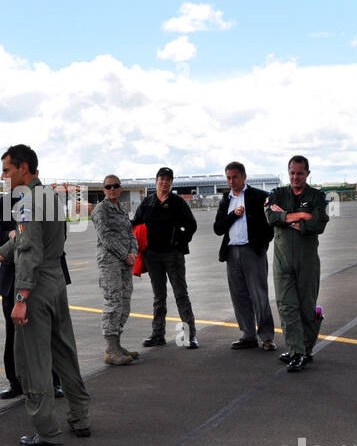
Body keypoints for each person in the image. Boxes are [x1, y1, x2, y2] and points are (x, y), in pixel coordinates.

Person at [0, 144, 90, 446]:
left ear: (23, 169)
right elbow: (28, 242)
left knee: (33, 361)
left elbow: (29, 250)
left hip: (36, 285)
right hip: (55, 281)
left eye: (7, 170)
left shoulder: (27, 202)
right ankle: (80, 417)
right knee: (64, 352)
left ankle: (47, 432)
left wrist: (22, 296)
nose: (4, 176)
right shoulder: (49, 197)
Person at [265, 155, 330, 372]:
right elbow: (270, 217)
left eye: (300, 173)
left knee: (306, 307)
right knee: (286, 306)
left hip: (307, 261)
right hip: (282, 261)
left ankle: (305, 349)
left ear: (307, 174)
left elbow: (318, 223)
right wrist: (301, 215)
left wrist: (286, 218)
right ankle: (296, 351)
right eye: (292, 172)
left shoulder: (317, 196)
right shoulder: (277, 194)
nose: (295, 177)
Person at [0, 211, 65, 400]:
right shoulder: (3, 204)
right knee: (13, 334)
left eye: (8, 177)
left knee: (48, 333)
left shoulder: (45, 201)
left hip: (42, 277)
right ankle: (16, 382)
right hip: (12, 278)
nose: (4, 178)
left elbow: (57, 237)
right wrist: (12, 235)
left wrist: (23, 237)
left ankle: (54, 381)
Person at [131, 166, 199, 349]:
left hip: (173, 255)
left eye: (168, 179)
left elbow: (191, 225)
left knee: (181, 294)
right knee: (158, 296)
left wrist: (179, 242)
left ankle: (190, 335)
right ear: (156, 181)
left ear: (171, 182)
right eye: (162, 178)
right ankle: (158, 334)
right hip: (152, 256)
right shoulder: (147, 203)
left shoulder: (178, 202)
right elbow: (135, 224)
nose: (165, 182)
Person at [213, 161, 276, 351]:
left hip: (253, 251)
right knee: (239, 296)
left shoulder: (259, 196)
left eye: (235, 177)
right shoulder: (226, 200)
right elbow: (218, 228)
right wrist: (233, 215)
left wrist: (261, 244)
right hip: (232, 253)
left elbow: (270, 225)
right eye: (228, 178)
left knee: (259, 295)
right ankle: (248, 335)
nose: (231, 181)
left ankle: (266, 337)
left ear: (244, 177)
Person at [90, 174, 138, 365]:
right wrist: (125, 255)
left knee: (124, 303)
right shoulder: (100, 210)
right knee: (113, 303)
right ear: (104, 190)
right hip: (110, 263)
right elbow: (106, 237)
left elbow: (130, 233)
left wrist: (133, 252)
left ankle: (117, 345)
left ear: (120, 188)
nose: (112, 189)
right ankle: (110, 348)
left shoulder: (121, 209)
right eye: (108, 187)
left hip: (125, 263)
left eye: (115, 186)